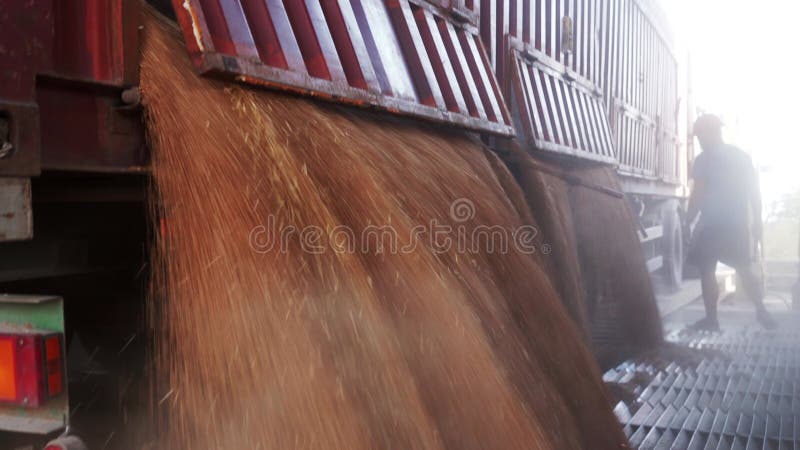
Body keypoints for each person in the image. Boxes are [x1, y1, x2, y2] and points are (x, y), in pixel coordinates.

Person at [686, 114, 777, 331]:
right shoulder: (741, 157)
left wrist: (687, 219)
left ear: (712, 133)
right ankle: (762, 311)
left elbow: (698, 195)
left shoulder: (703, 161)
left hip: (712, 226)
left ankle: (711, 320)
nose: (699, 140)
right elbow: (754, 193)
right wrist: (757, 222)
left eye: (700, 136)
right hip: (737, 224)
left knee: (707, 269)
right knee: (744, 268)